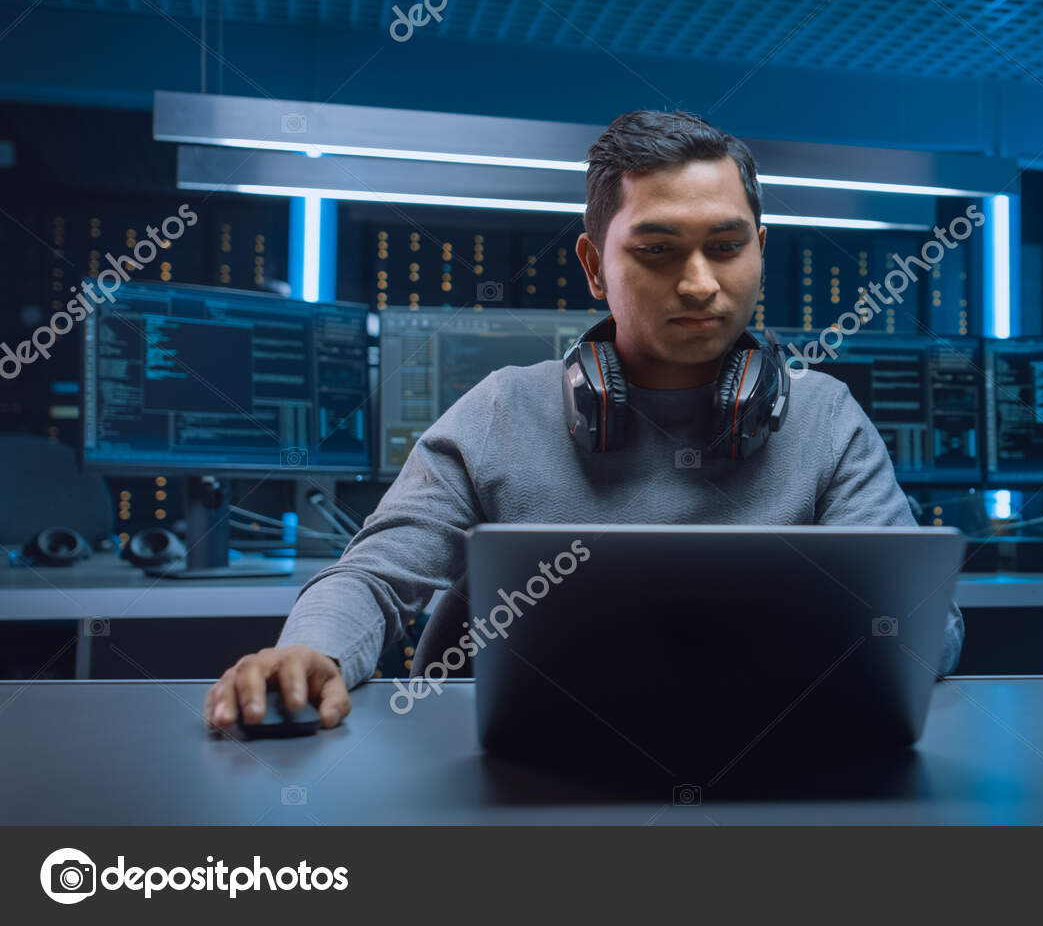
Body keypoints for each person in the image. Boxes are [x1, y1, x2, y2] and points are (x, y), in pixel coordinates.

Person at [204, 109, 965, 731]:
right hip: (514, 785)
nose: (700, 284)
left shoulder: (827, 418)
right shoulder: (502, 408)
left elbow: (924, 626)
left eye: (727, 247)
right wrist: (309, 653)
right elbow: (372, 579)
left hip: (770, 765)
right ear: (595, 265)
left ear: (760, 252)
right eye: (658, 251)